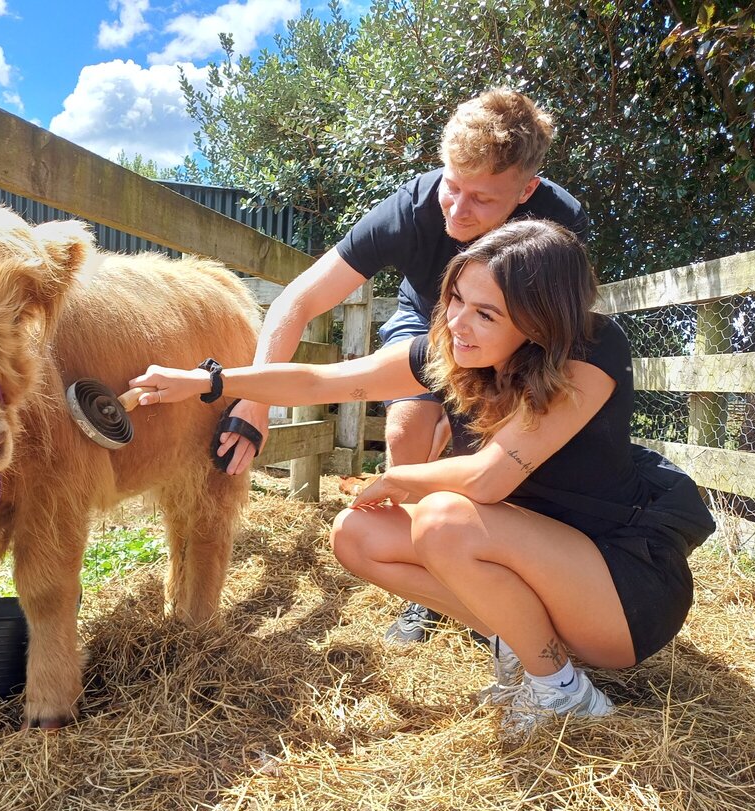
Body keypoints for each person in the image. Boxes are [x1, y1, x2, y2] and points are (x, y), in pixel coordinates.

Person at [130, 220, 701, 734]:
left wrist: (403, 482)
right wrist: (207, 383)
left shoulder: (590, 352)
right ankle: (522, 644)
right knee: (357, 534)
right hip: (534, 566)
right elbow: (320, 383)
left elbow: (486, 481)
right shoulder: (451, 350)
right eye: (456, 298)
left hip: (620, 592)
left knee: (446, 521)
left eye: (487, 313)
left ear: (540, 320)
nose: (457, 323)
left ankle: (563, 693)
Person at [214, 88, 589, 644]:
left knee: (483, 448)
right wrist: (255, 400)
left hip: (512, 333)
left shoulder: (561, 223)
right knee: (405, 425)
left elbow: (561, 334)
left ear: (526, 190)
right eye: (451, 186)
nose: (458, 212)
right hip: (427, 319)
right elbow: (299, 300)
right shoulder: (411, 210)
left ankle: (491, 575)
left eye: (483, 200)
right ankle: (424, 589)